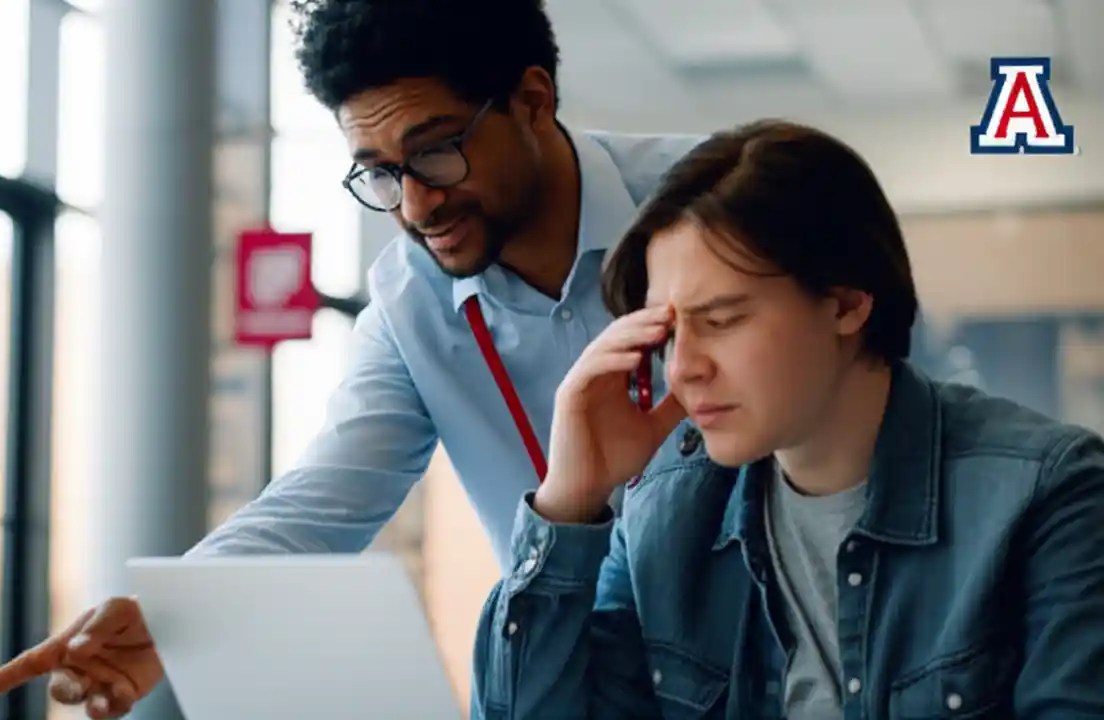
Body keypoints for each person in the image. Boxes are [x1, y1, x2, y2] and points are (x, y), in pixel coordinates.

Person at [0, 0, 704, 717]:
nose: (415, 207)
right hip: (566, 675)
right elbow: (325, 497)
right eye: (380, 172)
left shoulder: (716, 208)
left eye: (436, 152)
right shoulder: (409, 301)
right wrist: (176, 613)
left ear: (533, 99)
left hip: (755, 653)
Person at [469, 119, 1104, 718]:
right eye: (665, 331)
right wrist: (570, 502)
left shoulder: (1049, 493)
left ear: (847, 305)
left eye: (719, 322)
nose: (683, 368)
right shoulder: (664, 508)